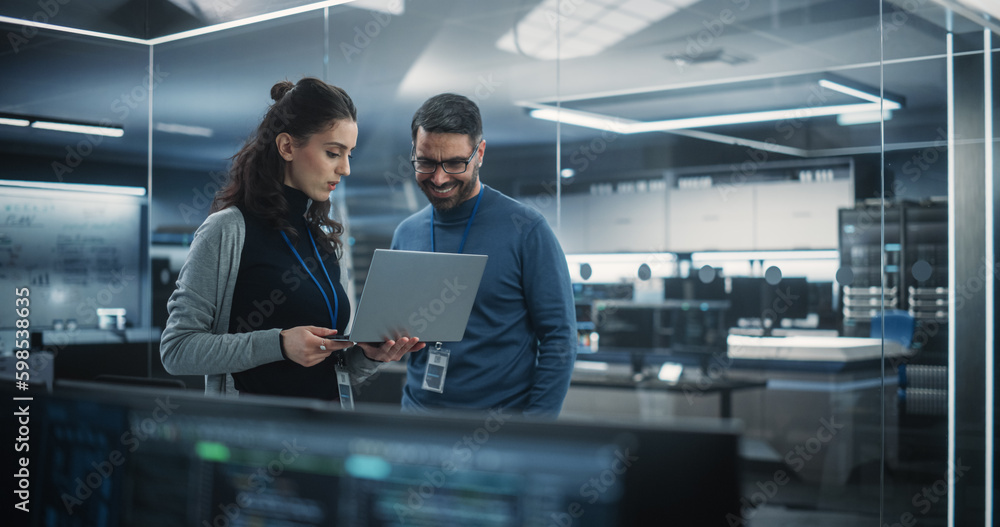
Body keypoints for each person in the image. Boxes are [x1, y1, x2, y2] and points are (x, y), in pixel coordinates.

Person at [160, 77, 423, 399]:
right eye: (333, 153)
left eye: (349, 155)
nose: (345, 169)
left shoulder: (322, 239)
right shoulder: (227, 230)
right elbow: (177, 350)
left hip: (325, 436)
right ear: (287, 146)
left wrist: (369, 356)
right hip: (254, 439)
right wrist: (280, 344)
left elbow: (333, 371)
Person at [390, 93, 576, 418]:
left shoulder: (526, 230)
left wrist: (535, 427)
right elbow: (394, 330)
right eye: (426, 162)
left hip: (499, 430)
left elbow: (559, 337)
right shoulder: (406, 233)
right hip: (418, 420)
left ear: (480, 154)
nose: (439, 178)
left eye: (454, 163)